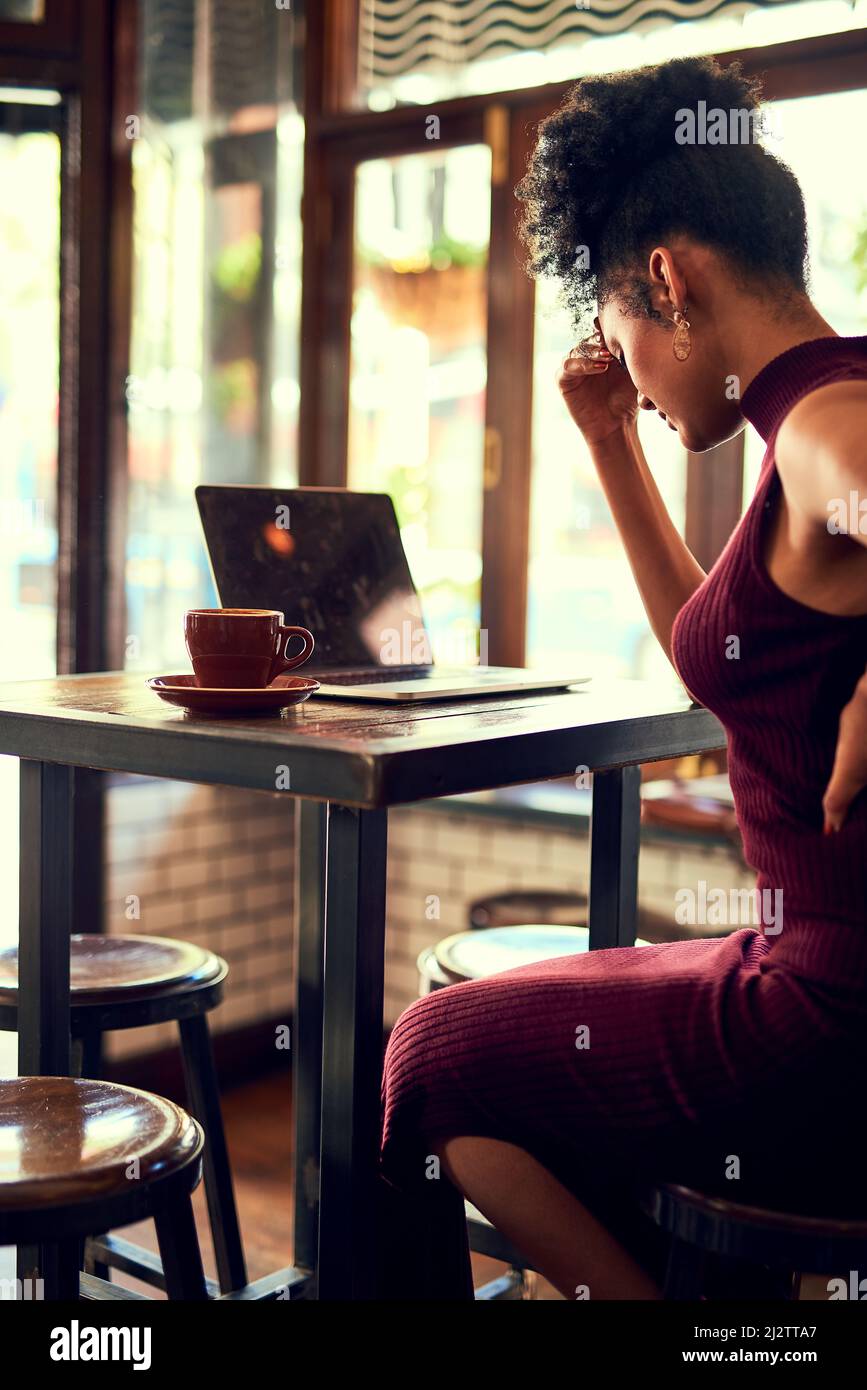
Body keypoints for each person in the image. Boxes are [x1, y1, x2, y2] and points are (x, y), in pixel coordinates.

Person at [379, 55, 867, 1301]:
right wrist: (607, 444)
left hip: (826, 1012)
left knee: (429, 1054)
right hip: (798, 973)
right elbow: (725, 650)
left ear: (669, 278)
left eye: (619, 325)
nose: (629, 371)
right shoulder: (805, 417)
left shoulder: (826, 425)